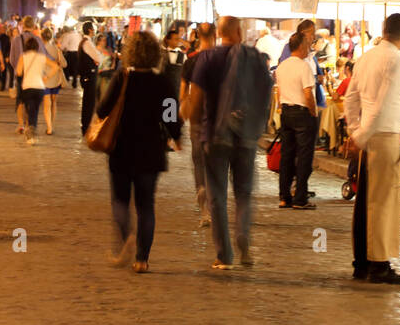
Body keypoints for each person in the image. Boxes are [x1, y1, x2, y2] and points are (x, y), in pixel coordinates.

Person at [187, 16, 273, 269]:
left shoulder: (207, 58)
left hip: (215, 134)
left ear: (220, 33)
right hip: (246, 135)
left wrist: (194, 124)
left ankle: (224, 254)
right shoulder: (255, 58)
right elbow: (266, 92)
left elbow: (196, 99)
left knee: (217, 196)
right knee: (244, 194)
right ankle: (243, 234)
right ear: (238, 31)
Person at [94, 29, 183, 273]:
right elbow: (170, 116)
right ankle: (142, 259)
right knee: (146, 205)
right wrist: (176, 137)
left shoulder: (122, 78)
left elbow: (102, 110)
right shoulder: (162, 81)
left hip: (121, 148)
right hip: (150, 150)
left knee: (120, 200)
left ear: (130, 53)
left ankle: (126, 239)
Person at [344, 13, 400, 284]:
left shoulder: (366, 57)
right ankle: (379, 264)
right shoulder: (393, 60)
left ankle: (361, 261)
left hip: (368, 134)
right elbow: (382, 103)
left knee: (365, 200)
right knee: (383, 201)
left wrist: (354, 130)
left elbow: (351, 97)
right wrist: (362, 134)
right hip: (382, 135)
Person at [276, 30, 319, 210]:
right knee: (303, 156)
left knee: (286, 155)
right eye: (307, 45)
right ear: (301, 46)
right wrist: (314, 112)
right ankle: (300, 197)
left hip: (286, 112)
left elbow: (279, 92)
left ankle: (284, 196)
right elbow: (308, 93)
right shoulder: (303, 67)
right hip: (302, 113)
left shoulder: (281, 67)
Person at [179, 21, 216, 226]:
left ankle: (204, 204)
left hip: (196, 115)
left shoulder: (190, 61)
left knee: (198, 160)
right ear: (214, 35)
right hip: (216, 117)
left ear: (197, 36)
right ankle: (212, 199)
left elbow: (182, 92)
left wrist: (179, 113)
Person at [15, 36, 47, 144]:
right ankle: (32, 133)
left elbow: (18, 72)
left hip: (28, 86)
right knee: (35, 111)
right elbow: (56, 67)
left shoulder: (23, 56)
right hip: (40, 87)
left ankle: (31, 135)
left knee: (30, 111)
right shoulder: (42, 57)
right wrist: (47, 77)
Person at [40, 27, 67, 135]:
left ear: (42, 37)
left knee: (47, 103)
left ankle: (49, 127)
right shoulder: (56, 49)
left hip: (45, 78)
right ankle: (52, 124)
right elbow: (64, 64)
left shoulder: (40, 49)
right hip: (55, 79)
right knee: (53, 102)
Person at [59, 22, 83, 88]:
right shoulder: (78, 35)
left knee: (66, 66)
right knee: (75, 68)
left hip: (70, 53)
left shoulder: (68, 35)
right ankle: (74, 82)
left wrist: (61, 48)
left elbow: (63, 45)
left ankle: (66, 79)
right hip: (77, 53)